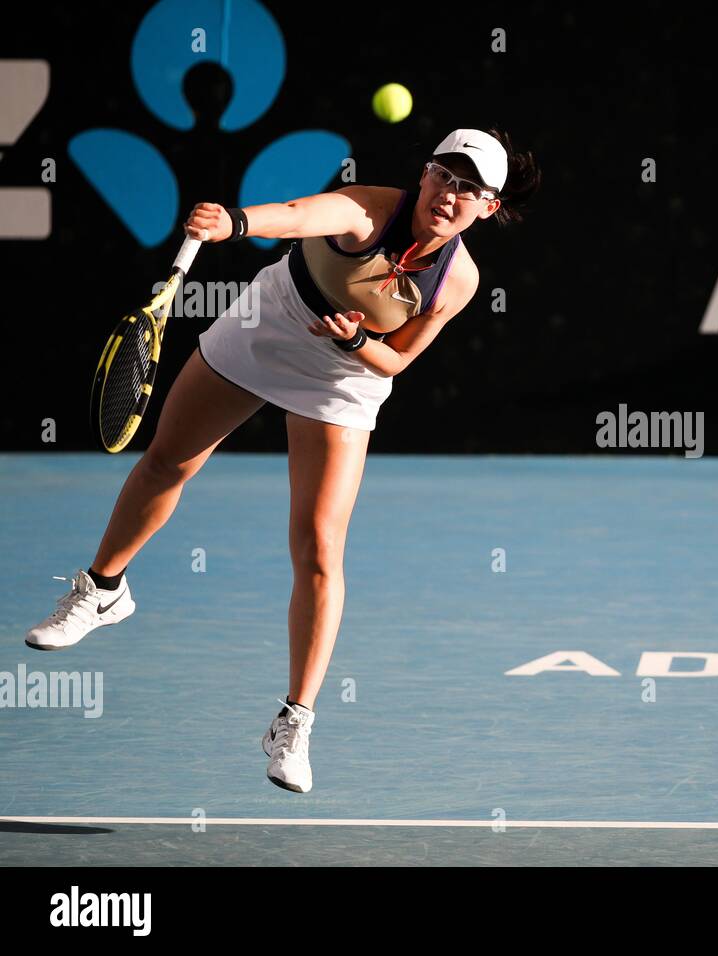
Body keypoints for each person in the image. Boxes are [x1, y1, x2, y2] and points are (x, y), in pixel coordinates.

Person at [25, 127, 541, 793]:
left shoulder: (458, 280)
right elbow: (301, 215)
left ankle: (294, 722)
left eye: (469, 189)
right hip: (265, 328)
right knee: (168, 463)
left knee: (320, 547)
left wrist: (358, 340)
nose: (449, 193)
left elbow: (399, 359)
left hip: (344, 378)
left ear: (488, 208)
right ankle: (101, 591)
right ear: (425, 172)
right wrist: (237, 222)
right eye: (445, 174)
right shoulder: (366, 209)